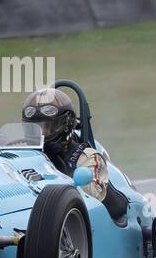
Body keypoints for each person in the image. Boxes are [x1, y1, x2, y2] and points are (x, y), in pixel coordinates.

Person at [21, 87, 128, 222]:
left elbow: (93, 200)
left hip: (89, 220)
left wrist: (65, 173)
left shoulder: (86, 157)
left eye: (48, 127)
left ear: (67, 124)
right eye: (34, 128)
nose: (41, 133)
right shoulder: (25, 155)